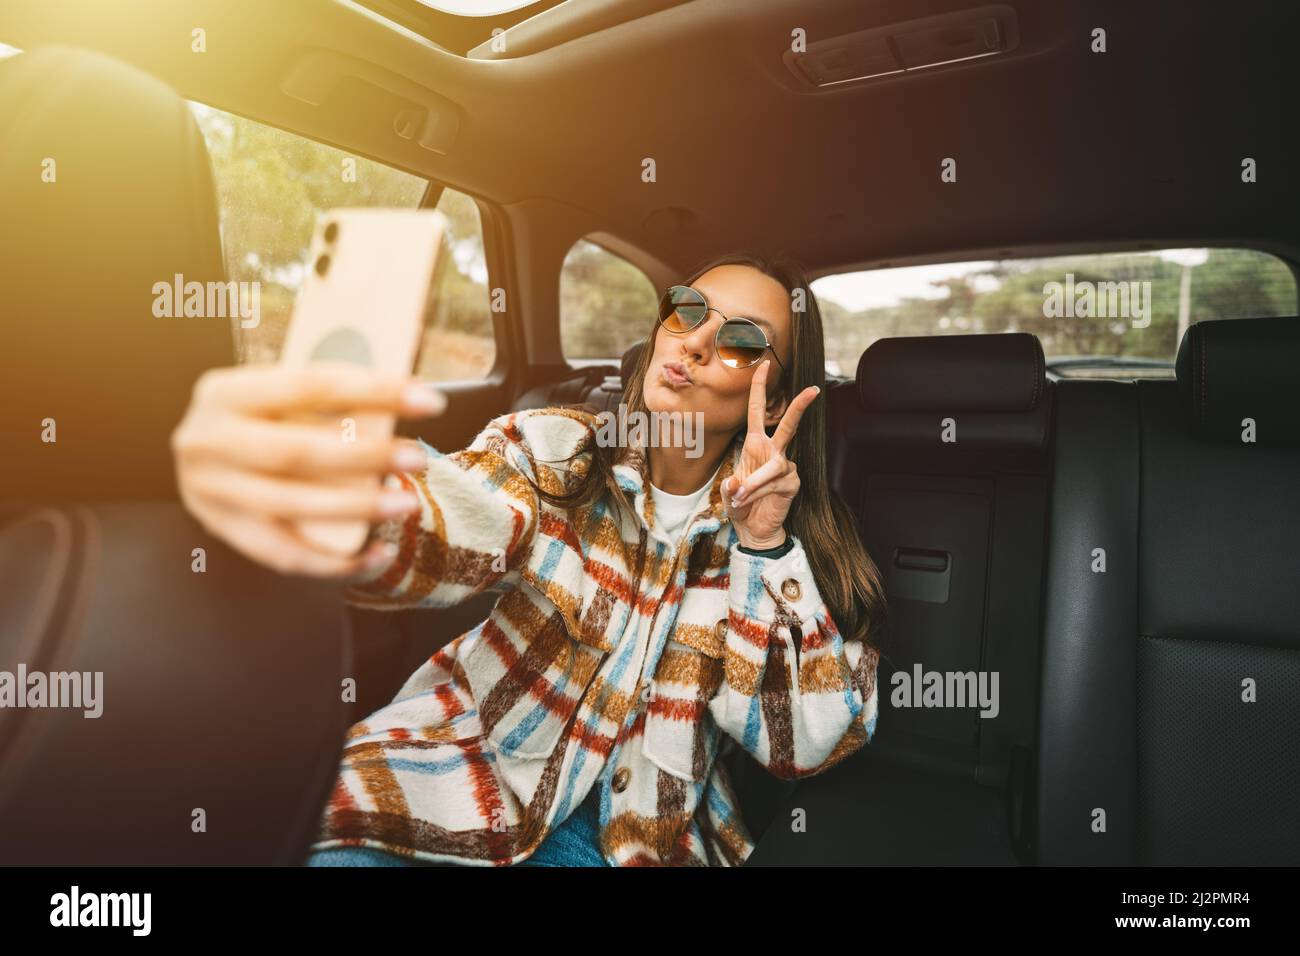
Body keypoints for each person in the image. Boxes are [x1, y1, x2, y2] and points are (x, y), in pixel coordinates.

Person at [172, 251, 887, 866]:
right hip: (446, 779)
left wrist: (761, 543)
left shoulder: (788, 549)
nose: (696, 343)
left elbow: (807, 744)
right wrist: (328, 487)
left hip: (622, 839)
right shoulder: (557, 449)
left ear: (779, 391)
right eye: (686, 310)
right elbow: (456, 514)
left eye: (739, 341)